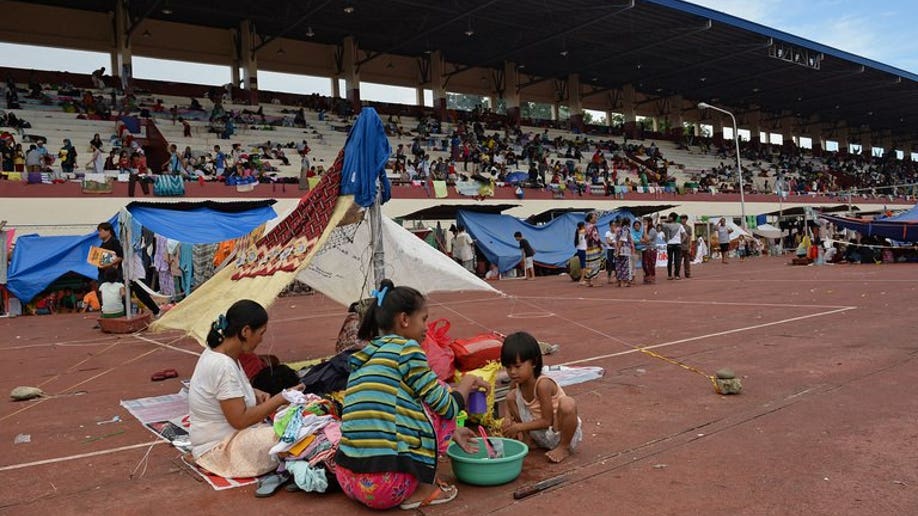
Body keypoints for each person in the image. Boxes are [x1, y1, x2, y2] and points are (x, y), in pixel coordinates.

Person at [335, 279, 487, 510]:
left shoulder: (366, 355)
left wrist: (453, 431)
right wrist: (466, 383)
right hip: (385, 487)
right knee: (442, 393)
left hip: (348, 478)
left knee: (421, 395)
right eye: (424, 319)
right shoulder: (408, 350)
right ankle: (425, 490)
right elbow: (446, 407)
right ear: (404, 320)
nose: (427, 327)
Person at [188, 300, 300, 478]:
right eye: (261, 333)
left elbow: (225, 393)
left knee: (295, 429)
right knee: (296, 434)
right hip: (220, 451)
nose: (261, 340)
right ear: (246, 331)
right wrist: (279, 399)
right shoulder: (223, 365)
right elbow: (239, 421)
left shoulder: (221, 354)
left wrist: (253, 393)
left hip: (220, 442)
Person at [500, 332, 582, 463]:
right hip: (538, 433)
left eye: (517, 366)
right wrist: (507, 419)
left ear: (533, 362)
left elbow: (546, 421)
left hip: (557, 432)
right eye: (508, 367)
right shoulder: (517, 381)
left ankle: (563, 447)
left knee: (568, 403)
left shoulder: (543, 384)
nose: (512, 372)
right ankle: (529, 440)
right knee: (511, 396)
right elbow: (508, 400)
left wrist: (518, 427)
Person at [95, 222, 160, 317]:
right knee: (119, 295)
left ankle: (155, 310)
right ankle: (120, 314)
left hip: (132, 274)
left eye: (101, 230)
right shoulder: (106, 245)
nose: (99, 233)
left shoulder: (122, 244)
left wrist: (110, 264)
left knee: (139, 294)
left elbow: (121, 257)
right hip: (123, 274)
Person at [580, 212, 603, 287]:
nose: (596, 219)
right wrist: (600, 245)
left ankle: (588, 281)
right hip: (593, 247)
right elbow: (596, 237)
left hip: (587, 247)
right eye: (594, 218)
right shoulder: (593, 227)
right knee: (595, 263)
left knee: (589, 264)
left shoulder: (585, 227)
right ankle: (594, 281)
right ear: (590, 219)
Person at [662, 212, 686, 280]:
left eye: (670, 216)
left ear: (672, 218)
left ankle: (669, 275)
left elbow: (661, 222)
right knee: (677, 260)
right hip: (678, 244)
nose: (668, 217)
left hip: (670, 244)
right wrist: (681, 242)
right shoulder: (680, 225)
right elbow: (685, 235)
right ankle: (677, 275)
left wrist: (666, 220)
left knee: (669, 260)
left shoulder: (666, 225)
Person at [615, 218, 634, 287]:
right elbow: (622, 240)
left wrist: (617, 249)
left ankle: (620, 281)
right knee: (625, 265)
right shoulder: (625, 229)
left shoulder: (619, 229)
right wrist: (619, 249)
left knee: (619, 265)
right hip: (624, 249)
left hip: (619, 248)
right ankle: (625, 281)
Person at [679, 214, 693, 279]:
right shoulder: (678, 227)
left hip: (686, 246)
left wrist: (690, 247)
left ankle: (687, 274)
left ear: (686, 220)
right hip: (679, 246)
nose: (683, 220)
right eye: (682, 219)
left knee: (687, 261)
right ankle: (677, 274)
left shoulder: (689, 227)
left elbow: (690, 237)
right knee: (678, 261)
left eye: (684, 219)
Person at [604, 220, 618, 285]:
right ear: (610, 226)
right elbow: (609, 242)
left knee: (617, 263)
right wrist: (614, 242)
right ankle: (609, 278)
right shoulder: (607, 233)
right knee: (610, 263)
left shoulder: (617, 233)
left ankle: (617, 277)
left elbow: (620, 240)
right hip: (610, 250)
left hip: (617, 249)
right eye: (612, 225)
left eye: (615, 225)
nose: (613, 227)